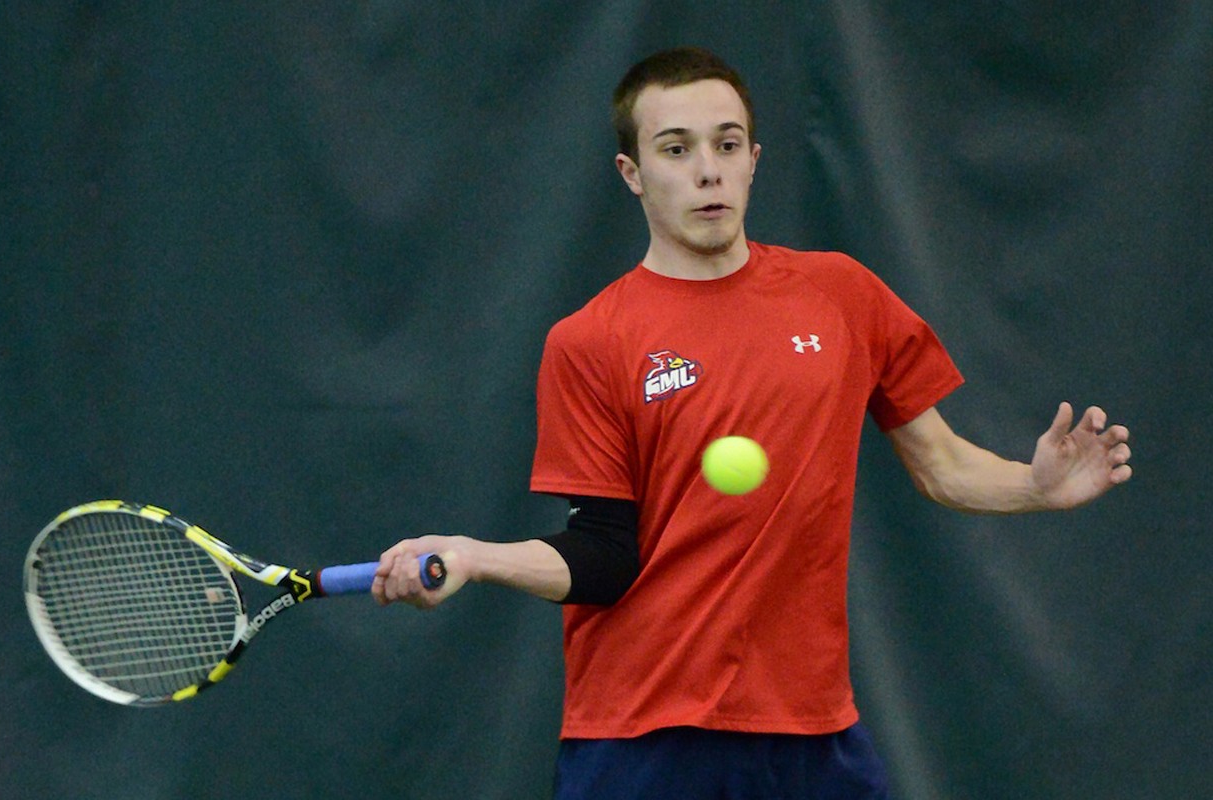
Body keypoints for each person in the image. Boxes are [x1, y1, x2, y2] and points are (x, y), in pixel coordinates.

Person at [371, 47, 1133, 799]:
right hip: (645, 734)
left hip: (812, 731)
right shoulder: (591, 340)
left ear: (753, 159)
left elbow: (942, 463)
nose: (708, 169)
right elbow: (602, 556)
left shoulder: (843, 295)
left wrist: (1034, 486)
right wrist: (473, 555)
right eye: (677, 149)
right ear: (631, 174)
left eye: (727, 145)